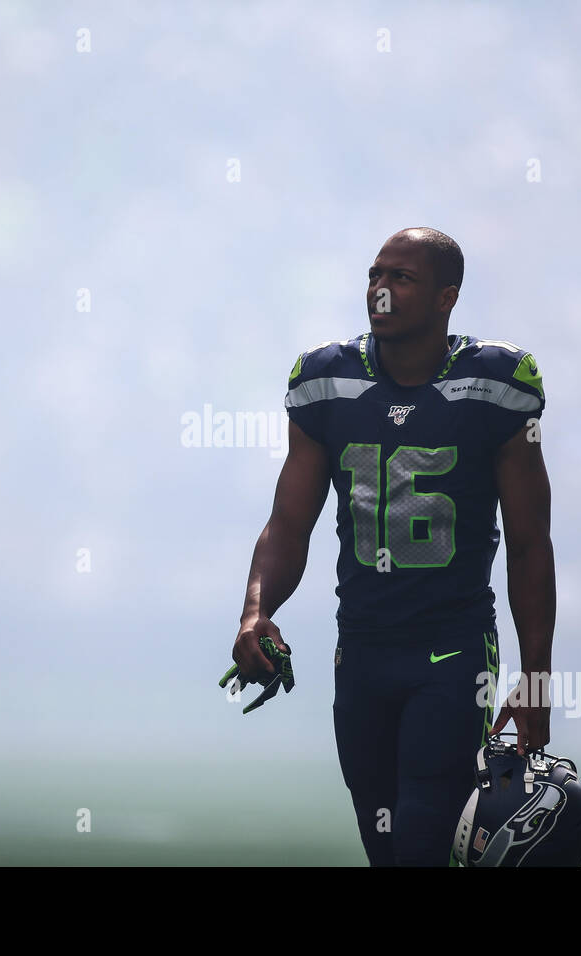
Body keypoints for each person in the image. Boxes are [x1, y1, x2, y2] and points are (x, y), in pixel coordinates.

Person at [229, 227, 554, 866]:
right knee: (387, 848)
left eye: (401, 278)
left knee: (423, 841)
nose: (380, 291)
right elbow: (289, 526)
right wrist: (256, 611)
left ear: (446, 298)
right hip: (363, 652)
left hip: (454, 648)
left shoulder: (495, 383)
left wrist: (537, 674)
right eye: (376, 275)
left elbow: (529, 542)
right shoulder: (328, 379)